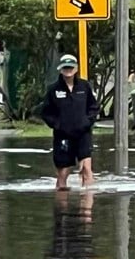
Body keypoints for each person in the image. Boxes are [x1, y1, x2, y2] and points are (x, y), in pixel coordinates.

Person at [41, 54, 99, 191]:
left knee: (86, 169)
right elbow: (45, 112)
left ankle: (87, 208)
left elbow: (94, 107)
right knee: (63, 174)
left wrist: (87, 121)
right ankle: (61, 207)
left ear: (76, 69)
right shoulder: (53, 89)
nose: (68, 70)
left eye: (71, 67)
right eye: (65, 67)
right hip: (63, 136)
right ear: (60, 69)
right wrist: (58, 125)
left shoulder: (84, 87)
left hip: (83, 134)